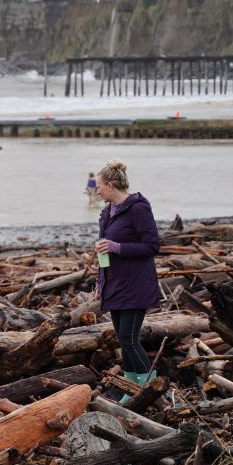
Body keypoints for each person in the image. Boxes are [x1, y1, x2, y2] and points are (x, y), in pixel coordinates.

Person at [92, 159, 161, 402]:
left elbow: (152, 246)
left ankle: (152, 389)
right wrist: (101, 281)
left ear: (110, 185)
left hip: (136, 284)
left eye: (99, 186)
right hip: (115, 284)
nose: (96, 190)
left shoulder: (138, 208)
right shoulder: (106, 213)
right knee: (123, 340)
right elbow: (104, 251)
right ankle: (133, 386)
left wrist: (118, 247)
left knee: (131, 340)